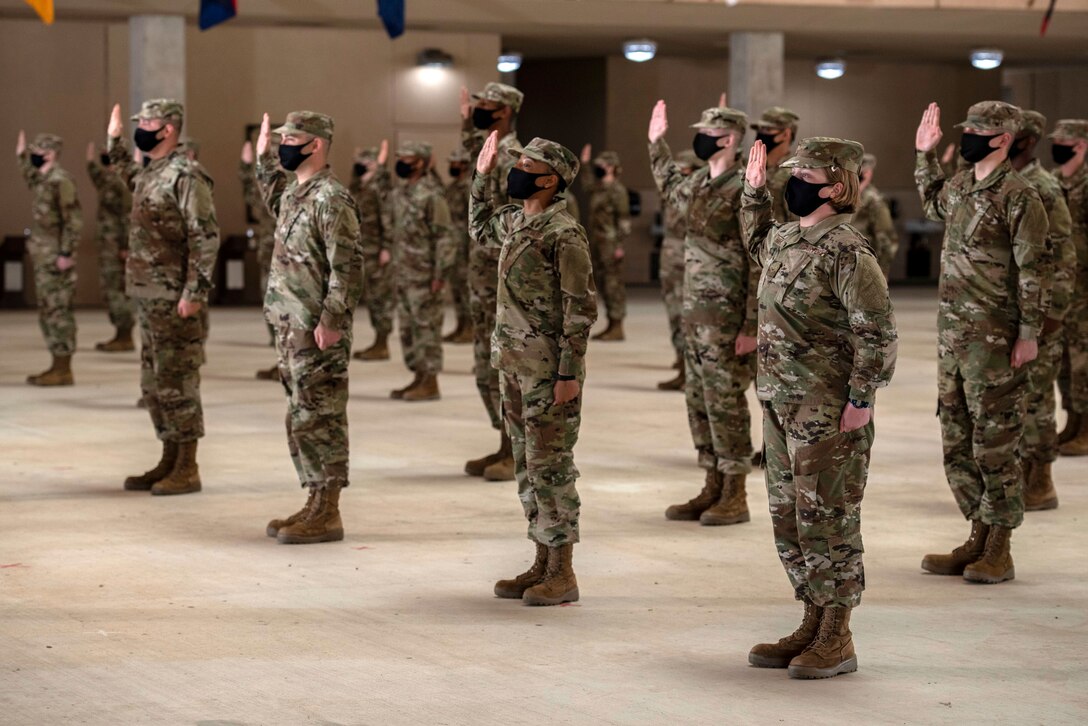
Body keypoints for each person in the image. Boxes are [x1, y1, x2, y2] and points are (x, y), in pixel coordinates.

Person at [741, 136, 898, 680]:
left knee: (828, 519)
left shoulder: (850, 252)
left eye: (805, 178)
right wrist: (753, 193)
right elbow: (756, 241)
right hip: (780, 403)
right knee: (789, 518)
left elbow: (877, 334)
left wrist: (860, 398)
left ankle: (838, 633)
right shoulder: (786, 238)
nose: (795, 185)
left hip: (826, 409)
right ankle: (811, 617)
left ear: (836, 187)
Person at [915, 101, 1049, 584]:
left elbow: (1035, 271)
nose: (968, 135)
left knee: (995, 443)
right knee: (957, 440)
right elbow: (932, 205)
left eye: (977, 130)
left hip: (995, 338)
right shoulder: (960, 185)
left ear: (1002, 138)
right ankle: (975, 533)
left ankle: (1000, 546)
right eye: (966, 128)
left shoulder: (1020, 195)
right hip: (954, 337)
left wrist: (1029, 334)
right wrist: (925, 155)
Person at [471, 132, 596, 606]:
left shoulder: (563, 234)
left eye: (526, 166)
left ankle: (562, 571)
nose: (516, 171)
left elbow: (580, 309)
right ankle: (541, 559)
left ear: (550, 179)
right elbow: (480, 226)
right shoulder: (515, 222)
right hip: (513, 363)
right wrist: (481, 178)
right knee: (526, 464)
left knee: (551, 465)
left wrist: (568, 372)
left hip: (548, 368)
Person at [254, 111, 364, 544]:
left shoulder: (332, 199)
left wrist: (333, 319)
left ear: (315, 144)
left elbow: (348, 266)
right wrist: (263, 157)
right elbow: (268, 191)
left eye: (291, 138)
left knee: (322, 415)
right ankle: (314, 498)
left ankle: (328, 510)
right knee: (301, 415)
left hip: (316, 326)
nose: (284, 145)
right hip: (289, 321)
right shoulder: (295, 194)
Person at [648, 100, 759, 527]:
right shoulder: (698, 184)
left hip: (728, 315)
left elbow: (757, 258)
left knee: (725, 400)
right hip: (696, 312)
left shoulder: (747, 188)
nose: (700, 139)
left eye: (709, 133)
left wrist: (751, 323)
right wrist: (655, 143)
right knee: (698, 399)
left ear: (729, 140)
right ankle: (711, 482)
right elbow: (668, 187)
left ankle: (735, 491)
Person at [107, 99, 220, 496]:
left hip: (174, 296)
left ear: (169, 128)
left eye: (149, 122)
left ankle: (187, 466)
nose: (144, 127)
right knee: (155, 382)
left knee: (178, 380)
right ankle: (168, 457)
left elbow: (204, 237)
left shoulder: (186, 174)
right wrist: (114, 139)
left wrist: (194, 291)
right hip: (148, 292)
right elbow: (124, 172)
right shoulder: (151, 172)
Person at [460, 81, 524, 481]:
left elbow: (520, 220)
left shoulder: (515, 157)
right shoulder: (485, 151)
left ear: (504, 110)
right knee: (485, 368)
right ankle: (504, 442)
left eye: (485, 105)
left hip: (504, 277)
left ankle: (517, 449)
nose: (478, 109)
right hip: (481, 276)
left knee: (508, 368)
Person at [1010, 110, 1074, 510]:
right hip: (1010, 313)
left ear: (1026, 140)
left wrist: (1053, 315)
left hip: (1041, 311)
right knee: (1017, 400)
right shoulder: (1003, 182)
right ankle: (1019, 473)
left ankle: (1041, 480)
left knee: (1037, 399)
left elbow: (1064, 257)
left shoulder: (1043, 187)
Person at [388, 141, 455, 402]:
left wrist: (440, 274)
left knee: (426, 329)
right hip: (404, 274)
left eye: (407, 157)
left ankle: (431, 381)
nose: (402, 162)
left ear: (421, 162)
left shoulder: (432, 195)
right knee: (407, 330)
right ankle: (418, 376)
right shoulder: (401, 193)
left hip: (425, 276)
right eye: (400, 157)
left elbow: (444, 237)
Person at [16, 131, 82, 386]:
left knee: (58, 310)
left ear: (51, 154)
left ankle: (63, 368)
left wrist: (67, 252)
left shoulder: (61, 181)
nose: (33, 157)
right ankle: (56, 365)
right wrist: (20, 156)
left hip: (56, 256)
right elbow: (29, 175)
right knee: (47, 310)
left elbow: (72, 219)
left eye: (36, 153)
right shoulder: (43, 179)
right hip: (44, 256)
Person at [1050, 119, 1088, 454]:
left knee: (1083, 360)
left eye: (1064, 141)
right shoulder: (1052, 181)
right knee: (1062, 360)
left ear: (1081, 145)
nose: (1057, 145)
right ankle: (1072, 422)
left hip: (1084, 289)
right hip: (1060, 288)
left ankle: (1085, 426)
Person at [656, 149, 703, 392]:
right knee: (674, 316)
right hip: (670, 263)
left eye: (686, 171)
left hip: (688, 264)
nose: (681, 175)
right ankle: (682, 365)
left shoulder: (700, 197)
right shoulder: (675, 196)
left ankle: (690, 373)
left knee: (687, 319)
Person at [350, 142, 396, 362]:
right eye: (360, 163)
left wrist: (386, 247)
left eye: (367, 163)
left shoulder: (379, 189)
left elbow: (387, 219)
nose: (362, 166)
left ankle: (382, 343)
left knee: (381, 298)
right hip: (362, 250)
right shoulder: (358, 187)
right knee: (371, 297)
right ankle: (377, 343)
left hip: (377, 250)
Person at [86, 142, 134, 352]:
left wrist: (125, 245)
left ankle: (125, 334)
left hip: (117, 246)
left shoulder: (121, 183)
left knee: (116, 290)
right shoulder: (107, 180)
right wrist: (90, 158)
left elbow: (127, 216)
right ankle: (120, 333)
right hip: (108, 244)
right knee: (109, 289)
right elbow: (95, 175)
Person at [580, 145, 631, 341]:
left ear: (610, 167)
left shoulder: (618, 191)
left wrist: (619, 245)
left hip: (610, 244)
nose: (597, 168)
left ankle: (617, 325)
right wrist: (584, 164)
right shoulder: (599, 188)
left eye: (601, 165)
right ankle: (611, 325)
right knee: (602, 282)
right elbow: (586, 184)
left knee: (613, 285)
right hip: (597, 242)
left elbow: (624, 221)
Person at [241, 138, 281, 380]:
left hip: (286, 259)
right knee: (270, 309)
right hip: (268, 255)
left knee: (286, 313)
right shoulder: (268, 188)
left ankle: (289, 365)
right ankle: (281, 361)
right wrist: (245, 167)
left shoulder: (290, 183)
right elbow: (252, 197)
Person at [442, 148, 474, 344]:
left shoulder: (469, 188)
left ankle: (470, 328)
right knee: (456, 288)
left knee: (465, 288)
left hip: (465, 246)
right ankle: (460, 325)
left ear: (465, 164)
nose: (452, 166)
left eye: (456, 163)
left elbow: (472, 220)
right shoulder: (452, 187)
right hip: (452, 245)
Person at [751, 107, 801, 222]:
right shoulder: (753, 168)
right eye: (760, 129)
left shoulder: (795, 173)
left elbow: (797, 222)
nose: (761, 134)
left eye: (767, 130)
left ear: (785, 134)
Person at [853, 154, 899, 279]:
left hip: (864, 264)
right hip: (856, 262)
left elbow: (886, 237)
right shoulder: (853, 197)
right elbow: (887, 237)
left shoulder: (873, 199)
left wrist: (882, 269)